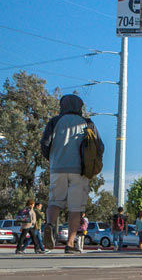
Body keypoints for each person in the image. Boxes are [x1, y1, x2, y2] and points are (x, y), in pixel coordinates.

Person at [40, 94, 104, 254]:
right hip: (80, 170)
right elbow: (100, 146)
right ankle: (70, 244)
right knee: (75, 208)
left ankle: (49, 226)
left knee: (55, 201)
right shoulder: (88, 123)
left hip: (58, 167)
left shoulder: (54, 121)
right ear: (79, 106)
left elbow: (45, 143)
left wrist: (53, 158)